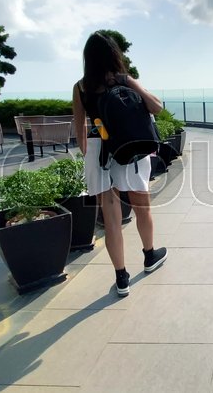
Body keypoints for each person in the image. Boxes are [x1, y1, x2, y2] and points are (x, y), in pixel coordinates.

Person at [72, 31, 167, 297]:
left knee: (111, 218)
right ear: (114, 54)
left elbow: (79, 128)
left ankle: (121, 277)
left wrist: (89, 154)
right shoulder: (123, 79)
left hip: (99, 150)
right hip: (129, 148)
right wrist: (130, 83)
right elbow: (157, 107)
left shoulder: (80, 87)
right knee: (141, 207)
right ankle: (149, 256)